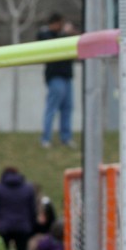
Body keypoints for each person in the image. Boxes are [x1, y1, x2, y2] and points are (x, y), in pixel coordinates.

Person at [37, 14, 79, 149]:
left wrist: (71, 33)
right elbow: (46, 42)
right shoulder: (46, 34)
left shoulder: (64, 36)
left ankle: (66, 138)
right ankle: (46, 138)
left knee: (67, 108)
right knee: (52, 108)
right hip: (55, 77)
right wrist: (65, 34)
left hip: (67, 77)